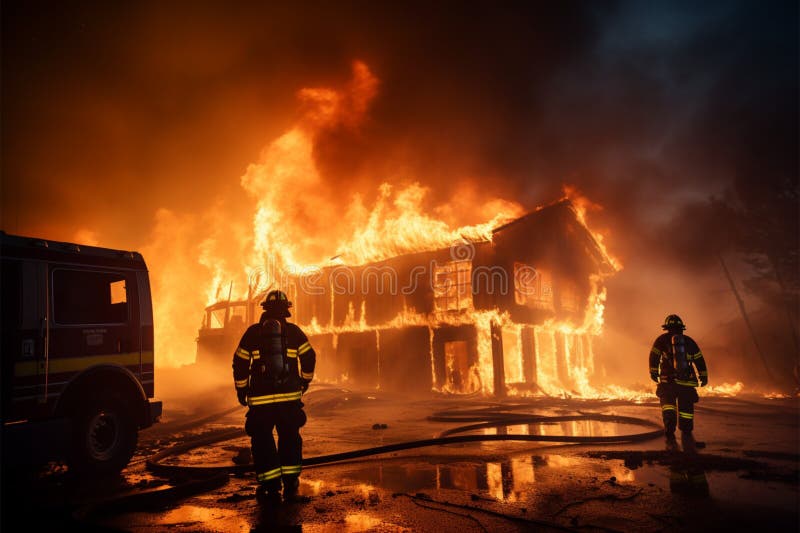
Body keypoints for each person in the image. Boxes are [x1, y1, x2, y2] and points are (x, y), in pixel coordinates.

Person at [232, 290, 316, 503]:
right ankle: (290, 482)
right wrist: (305, 381)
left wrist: (242, 390)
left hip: (261, 402)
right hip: (289, 399)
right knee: (289, 437)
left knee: (262, 440)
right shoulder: (294, 332)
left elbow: (240, 363)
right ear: (286, 310)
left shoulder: (252, 333)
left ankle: (270, 485)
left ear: (265, 310)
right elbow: (309, 356)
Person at [648, 314, 708, 447]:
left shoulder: (661, 340)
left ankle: (670, 431)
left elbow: (654, 356)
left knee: (668, 406)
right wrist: (703, 376)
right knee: (686, 409)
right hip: (686, 383)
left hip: (668, 381)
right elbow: (699, 359)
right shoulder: (689, 341)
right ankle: (686, 431)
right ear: (682, 327)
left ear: (667, 327)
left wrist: (654, 372)